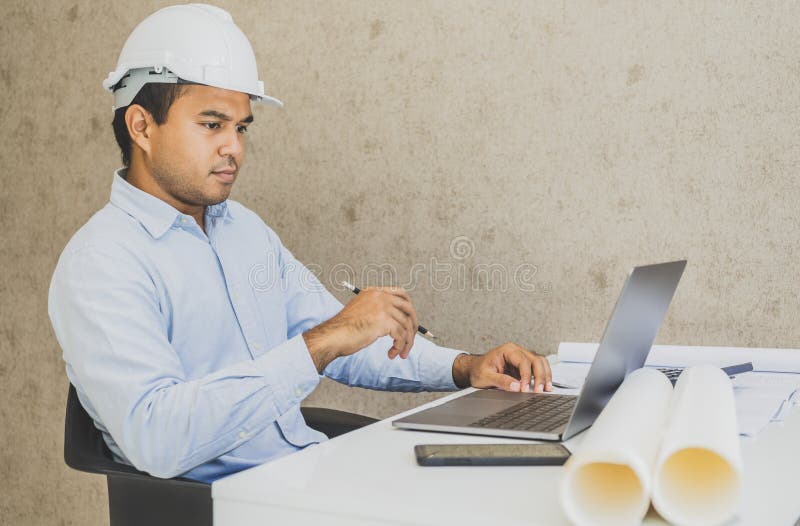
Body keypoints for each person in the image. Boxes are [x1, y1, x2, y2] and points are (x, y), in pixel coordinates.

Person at [48, 4, 552, 483]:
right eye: (211, 125)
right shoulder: (102, 264)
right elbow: (157, 439)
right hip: (234, 504)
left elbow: (346, 343)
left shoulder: (240, 229)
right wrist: (325, 340)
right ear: (141, 126)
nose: (234, 148)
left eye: (241, 127)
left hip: (306, 473)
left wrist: (465, 368)